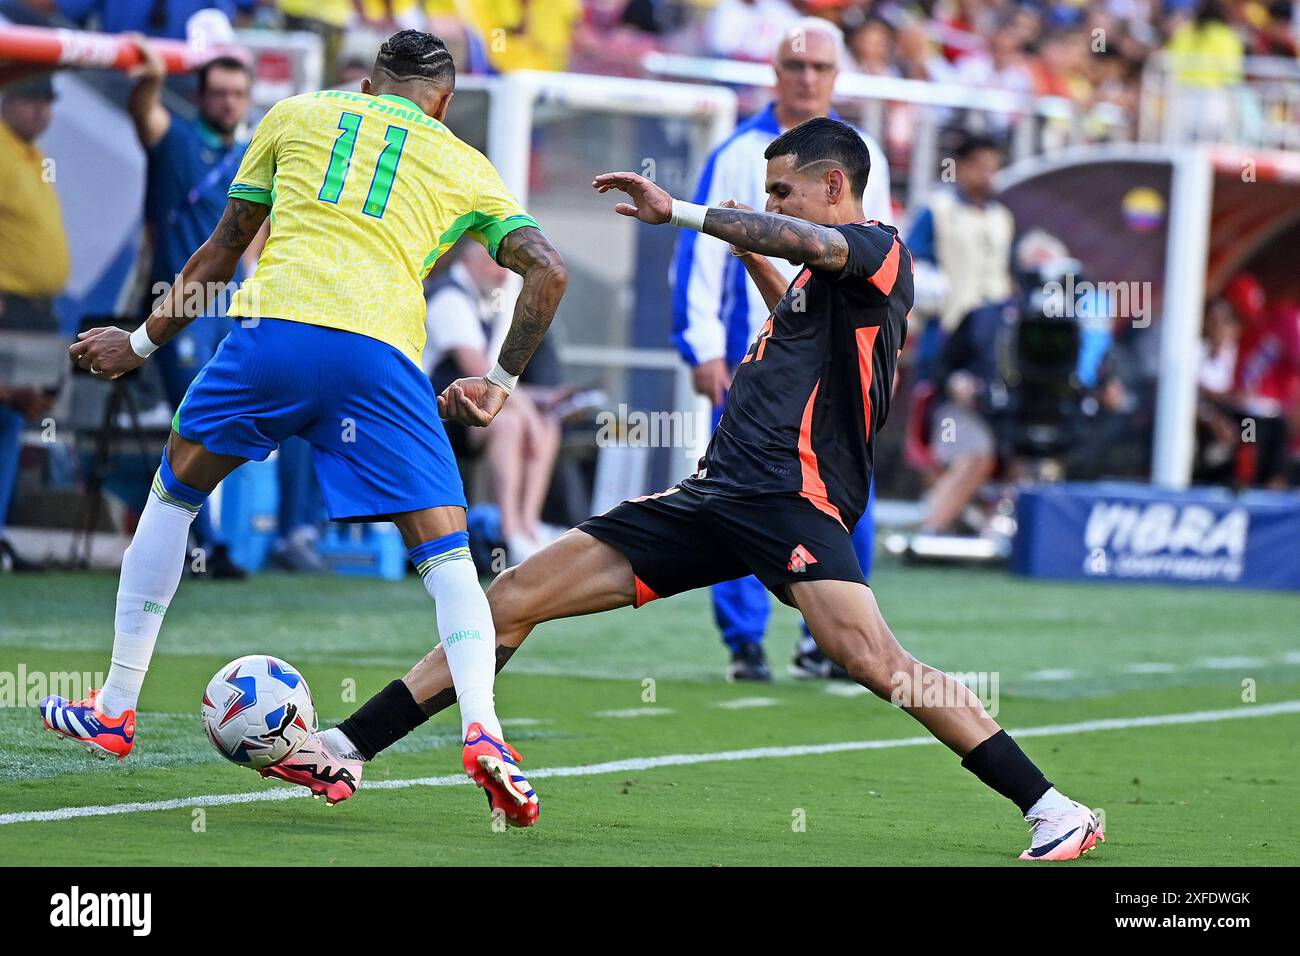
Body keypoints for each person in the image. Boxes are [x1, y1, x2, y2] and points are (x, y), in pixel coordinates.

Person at [295, 118, 1103, 862]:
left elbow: (798, 242)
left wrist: (680, 211)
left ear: (832, 185)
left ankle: (1052, 807)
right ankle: (349, 747)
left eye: (784, 189)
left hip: (793, 498)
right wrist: (751, 257)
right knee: (512, 596)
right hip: (717, 496)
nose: (772, 203)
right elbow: (792, 300)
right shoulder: (816, 293)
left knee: (871, 658)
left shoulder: (878, 250)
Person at [40, 30, 568, 827]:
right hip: (380, 360)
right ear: (446, 103)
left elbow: (221, 249)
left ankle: (117, 706)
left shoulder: (294, 114)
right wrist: (497, 385)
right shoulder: (465, 163)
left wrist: (140, 343)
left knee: (174, 495)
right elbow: (548, 269)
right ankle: (485, 732)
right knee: (449, 554)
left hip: (274, 336)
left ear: (363, 83)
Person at [672, 17, 891, 682]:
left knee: (847, 500)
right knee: (739, 502)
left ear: (836, 76)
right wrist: (703, 347)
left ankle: (825, 639)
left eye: (820, 68)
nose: (807, 78)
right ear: (774, 72)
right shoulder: (740, 149)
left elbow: (880, 251)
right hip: (757, 368)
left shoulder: (858, 155)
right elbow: (697, 259)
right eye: (796, 67)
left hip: (833, 367)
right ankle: (744, 643)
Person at [128, 37, 258, 579]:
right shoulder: (176, 140)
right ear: (200, 97)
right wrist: (152, 80)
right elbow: (145, 115)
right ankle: (204, 544)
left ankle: (214, 541)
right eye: (219, 93)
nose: (229, 103)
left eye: (238, 94)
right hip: (178, 302)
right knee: (196, 419)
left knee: (228, 422)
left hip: (234, 307)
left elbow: (259, 233)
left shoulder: (255, 153)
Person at [426, 241, 561, 564]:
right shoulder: (449, 297)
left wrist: (539, 401)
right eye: (497, 265)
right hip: (438, 415)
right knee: (512, 422)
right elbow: (479, 371)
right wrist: (526, 409)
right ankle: (510, 530)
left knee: (548, 421)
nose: (504, 275)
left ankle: (529, 525)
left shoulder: (492, 301)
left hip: (471, 413)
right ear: (472, 260)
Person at [907, 133, 1015, 534]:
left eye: (994, 165)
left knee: (990, 435)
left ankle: (967, 515)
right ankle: (937, 518)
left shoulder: (1002, 218)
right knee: (942, 429)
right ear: (962, 165)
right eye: (981, 165)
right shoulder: (938, 210)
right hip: (947, 339)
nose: (988, 174)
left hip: (991, 346)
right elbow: (911, 264)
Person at [0, 73, 69, 333]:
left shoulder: (33, 154)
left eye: (47, 102)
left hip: (36, 309)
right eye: (31, 100)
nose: (41, 111)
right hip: (9, 307)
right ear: (7, 99)